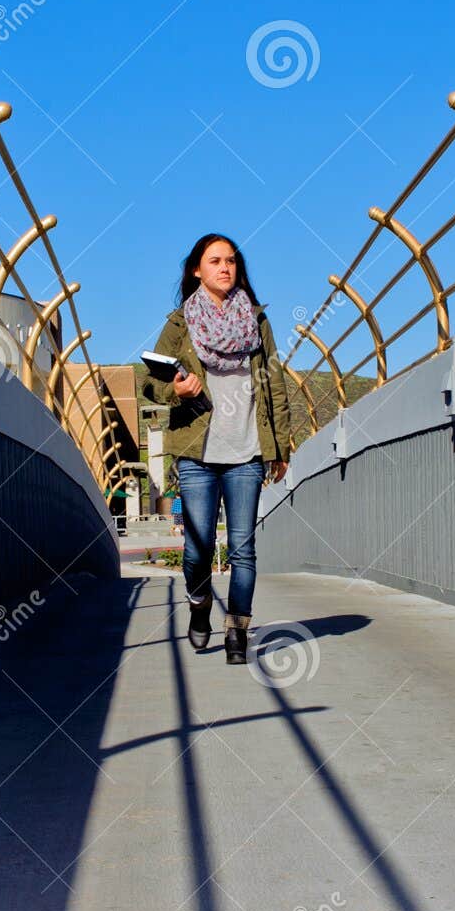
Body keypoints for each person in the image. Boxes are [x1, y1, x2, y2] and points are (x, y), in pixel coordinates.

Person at [144, 233, 292, 664]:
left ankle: (237, 631)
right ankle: (199, 604)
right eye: (215, 261)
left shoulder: (257, 321)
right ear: (197, 270)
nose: (225, 267)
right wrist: (175, 390)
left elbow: (275, 384)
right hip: (197, 452)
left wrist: (280, 445)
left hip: (247, 452)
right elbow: (149, 382)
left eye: (231, 260)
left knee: (243, 549)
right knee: (198, 548)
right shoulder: (180, 324)